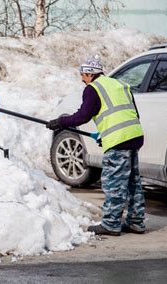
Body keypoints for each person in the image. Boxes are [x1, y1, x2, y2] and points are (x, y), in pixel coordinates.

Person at [46, 55, 146, 236]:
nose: (82, 79)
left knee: (114, 182)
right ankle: (136, 221)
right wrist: (106, 133)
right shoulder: (119, 85)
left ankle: (111, 224)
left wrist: (60, 121)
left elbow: (82, 116)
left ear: (90, 74)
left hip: (119, 140)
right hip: (134, 135)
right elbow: (129, 113)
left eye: (83, 75)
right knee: (132, 182)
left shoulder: (93, 89)